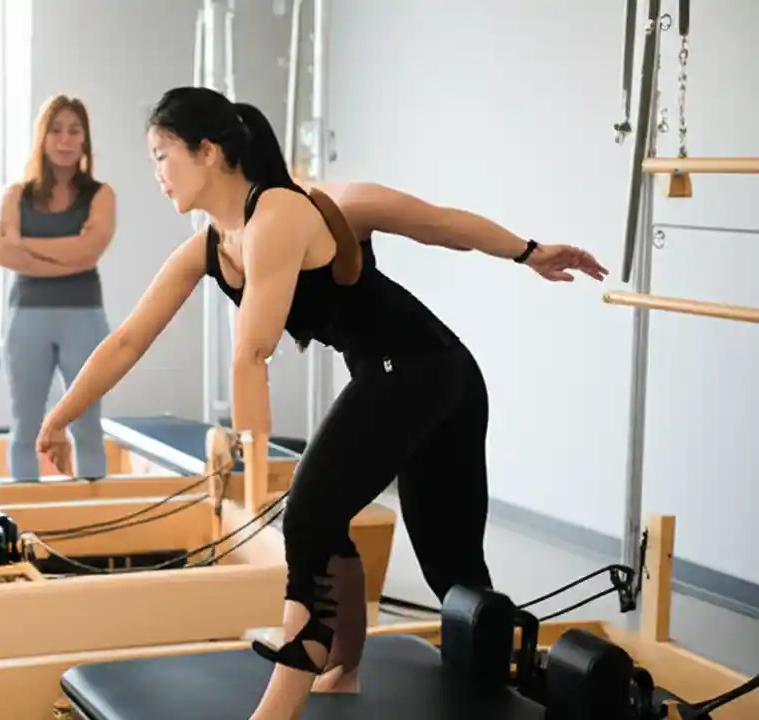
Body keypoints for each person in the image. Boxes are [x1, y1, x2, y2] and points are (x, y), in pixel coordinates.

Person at [34, 86, 607, 719]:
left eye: (162, 155)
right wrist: (60, 416)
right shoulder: (209, 247)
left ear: (209, 151)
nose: (157, 174)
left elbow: (436, 227)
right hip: (407, 379)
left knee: (312, 515)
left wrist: (529, 252)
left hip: (428, 372)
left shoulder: (285, 212)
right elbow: (128, 339)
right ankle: (401, 668)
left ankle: (287, 692)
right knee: (454, 580)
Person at [0, 95, 116, 481]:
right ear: (42, 138)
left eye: (74, 130)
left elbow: (88, 254)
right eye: (56, 130)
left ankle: (96, 523)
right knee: (25, 428)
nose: (65, 140)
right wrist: (69, 251)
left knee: (86, 426)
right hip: (26, 319)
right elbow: (3, 253)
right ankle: (21, 527)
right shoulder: (16, 195)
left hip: (84, 318)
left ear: (85, 140)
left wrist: (25, 245)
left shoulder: (100, 195)